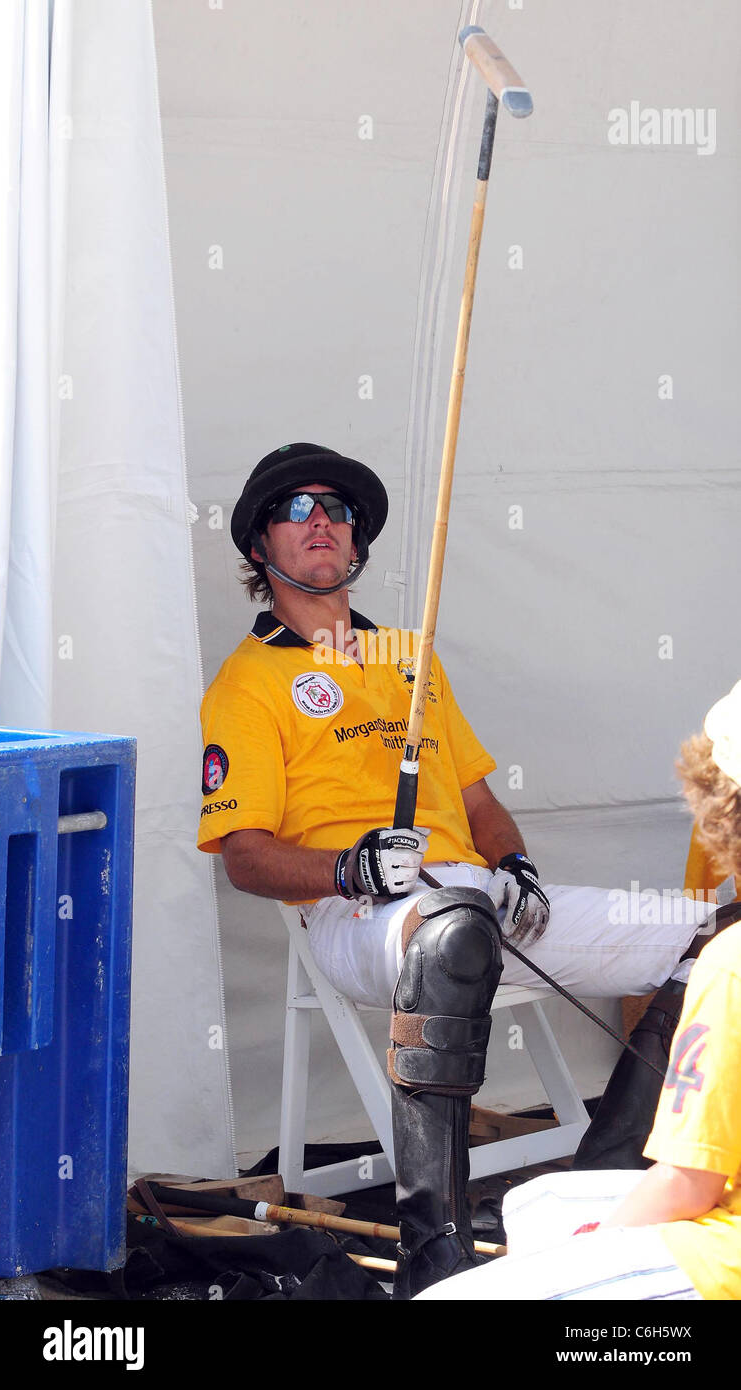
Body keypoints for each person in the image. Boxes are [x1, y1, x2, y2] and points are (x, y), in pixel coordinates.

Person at [197, 441, 713, 1299]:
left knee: (716, 935)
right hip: (359, 915)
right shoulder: (245, 686)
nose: (318, 520)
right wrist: (352, 868)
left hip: (478, 899)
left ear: (357, 543)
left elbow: (478, 801)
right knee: (453, 936)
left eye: (335, 508)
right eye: (293, 510)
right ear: (260, 549)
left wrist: (514, 861)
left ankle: (613, 1171)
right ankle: (430, 1240)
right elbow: (245, 861)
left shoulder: (409, 656)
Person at [417, 679, 741, 1300]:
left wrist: (598, 1241)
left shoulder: (730, 965)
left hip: (716, 1251)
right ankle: (611, 1163)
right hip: (393, 902)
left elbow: (691, 1184)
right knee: (541, 1203)